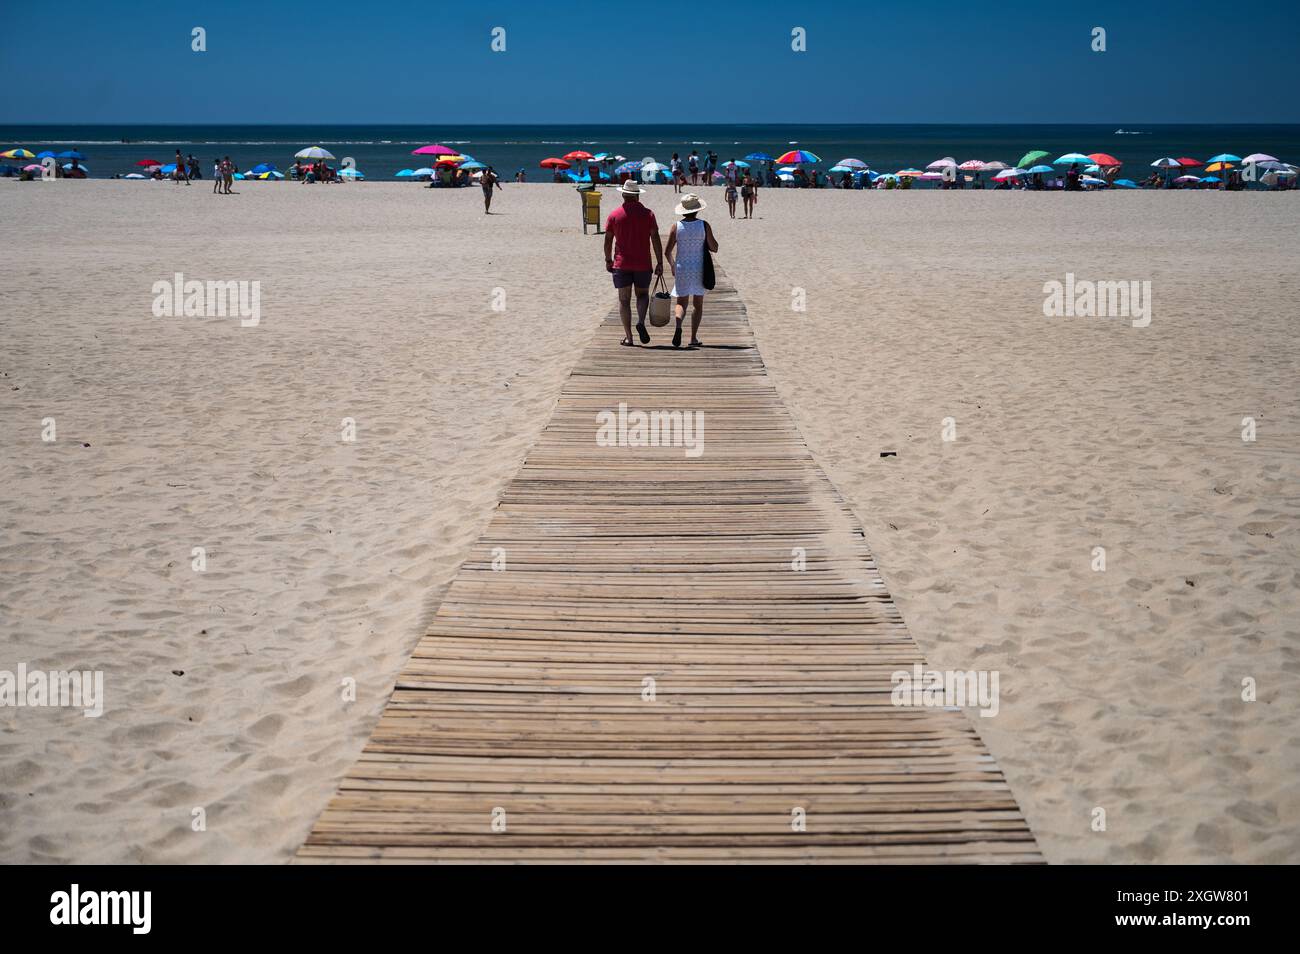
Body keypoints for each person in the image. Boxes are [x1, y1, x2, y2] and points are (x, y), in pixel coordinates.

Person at [603, 180, 664, 347]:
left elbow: (608, 240)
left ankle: (629, 337)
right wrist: (660, 261)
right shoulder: (648, 214)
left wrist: (608, 259)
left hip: (621, 264)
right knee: (642, 295)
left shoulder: (614, 215)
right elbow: (655, 238)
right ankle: (641, 322)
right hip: (643, 263)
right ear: (637, 195)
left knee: (624, 300)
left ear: (623, 194)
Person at [663, 193, 718, 350]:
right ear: (697, 210)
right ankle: (693, 337)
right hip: (699, 267)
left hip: (682, 267)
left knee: (681, 303)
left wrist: (673, 266)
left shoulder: (676, 226)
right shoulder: (704, 225)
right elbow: (714, 247)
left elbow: (667, 252)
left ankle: (678, 325)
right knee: (698, 305)